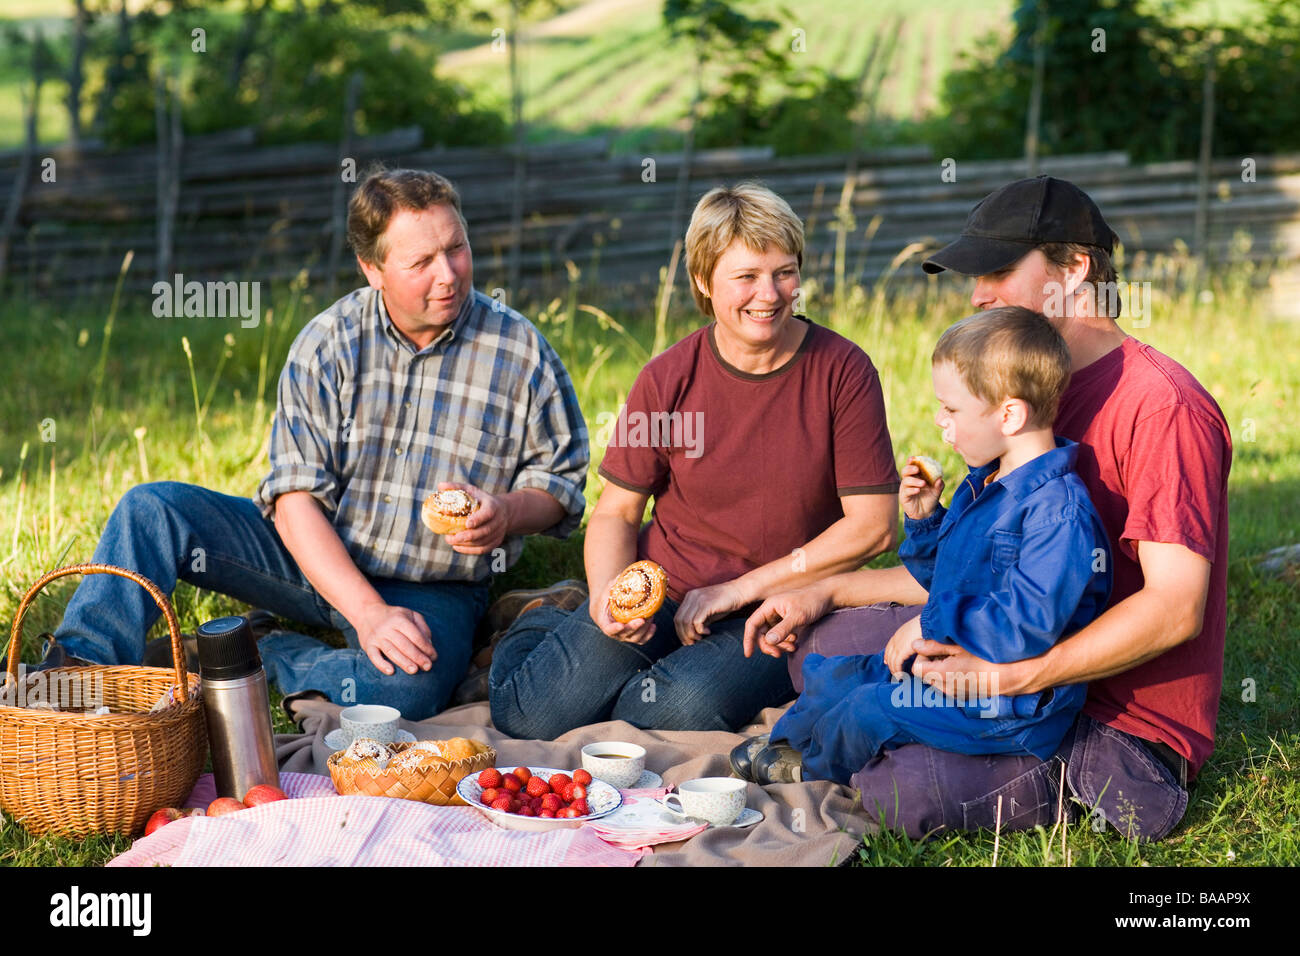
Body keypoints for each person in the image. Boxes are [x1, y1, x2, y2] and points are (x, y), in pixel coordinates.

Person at [741, 176, 1231, 842]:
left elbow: (1176, 608)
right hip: (1007, 650)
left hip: (1107, 719)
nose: (976, 293)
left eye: (998, 270)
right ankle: (879, 733)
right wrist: (823, 588)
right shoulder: (1018, 395)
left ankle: (897, 752)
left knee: (897, 792)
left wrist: (1002, 672)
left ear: (1075, 268)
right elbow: (971, 564)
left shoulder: (1162, 407)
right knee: (823, 644)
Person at [42, 167, 590, 721]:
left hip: (431, 585)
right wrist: (368, 612)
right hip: (308, 555)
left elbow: (560, 484)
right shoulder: (328, 344)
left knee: (409, 692)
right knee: (151, 509)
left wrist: (507, 512)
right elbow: (295, 501)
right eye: (421, 262)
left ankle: (249, 654)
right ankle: (76, 673)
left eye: (456, 248)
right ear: (372, 269)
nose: (448, 274)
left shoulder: (519, 350)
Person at [487, 182, 901, 738]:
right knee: (527, 717)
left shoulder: (843, 372)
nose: (771, 293)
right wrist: (611, 599)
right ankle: (540, 622)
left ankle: (637, 667)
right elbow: (616, 514)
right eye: (747, 277)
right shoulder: (666, 378)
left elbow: (874, 528)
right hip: (664, 583)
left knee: (663, 713)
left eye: (784, 272)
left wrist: (737, 589)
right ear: (705, 282)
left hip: (775, 601)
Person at [760, 306, 1111, 784]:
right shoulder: (985, 481)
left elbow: (1026, 625)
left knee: (873, 707)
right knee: (839, 674)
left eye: (951, 409)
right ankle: (782, 743)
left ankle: (812, 772)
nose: (939, 421)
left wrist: (928, 621)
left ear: (1009, 414)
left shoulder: (1058, 515)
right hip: (953, 658)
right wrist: (925, 521)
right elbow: (944, 576)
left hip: (1011, 701)